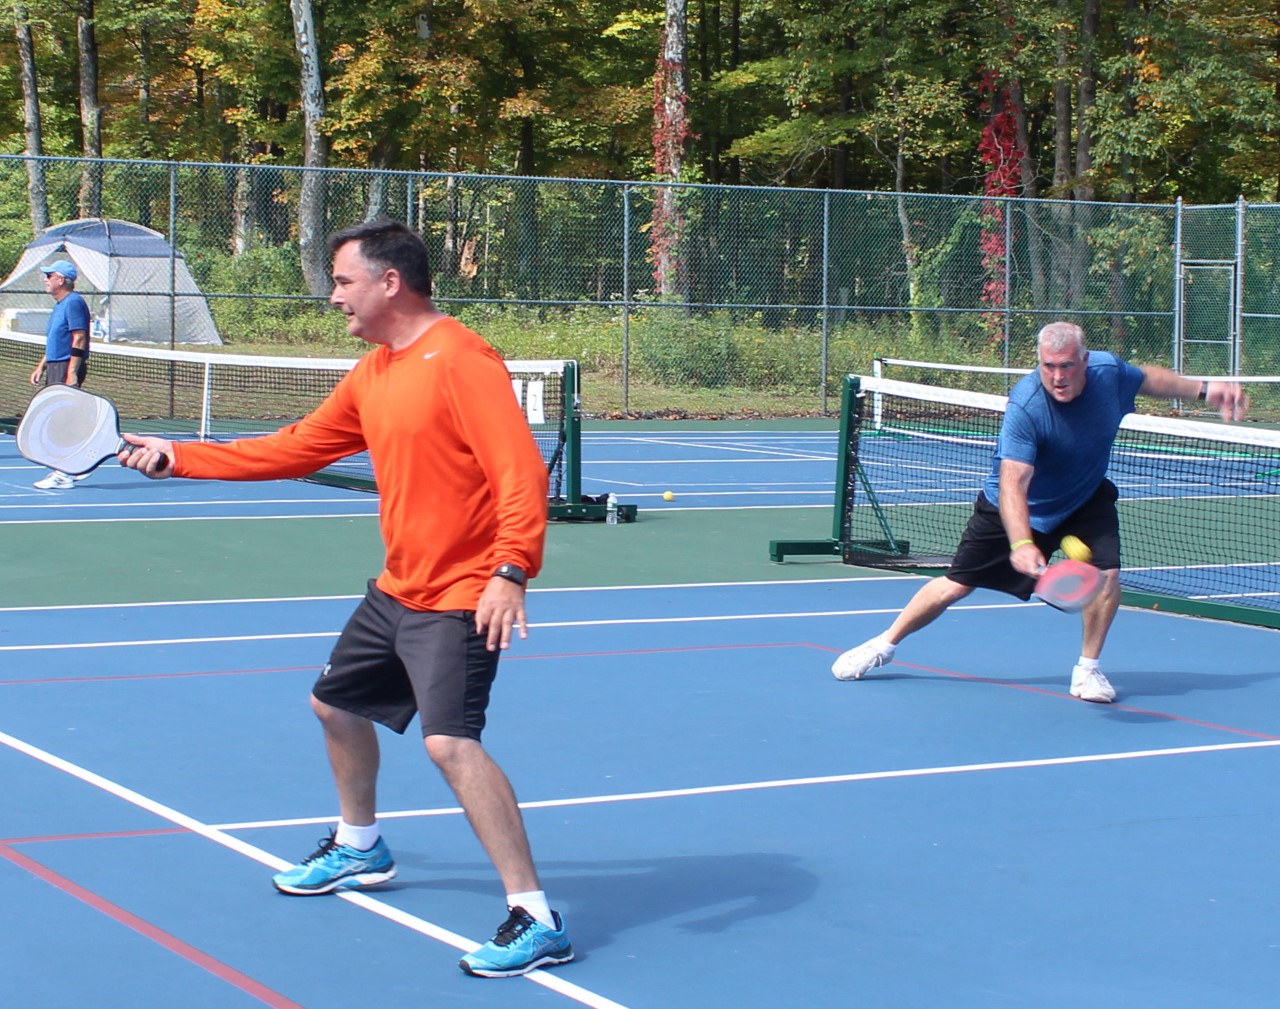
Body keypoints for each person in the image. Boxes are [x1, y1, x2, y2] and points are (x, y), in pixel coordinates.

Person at [118, 219, 573, 979]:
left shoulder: (462, 360)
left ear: (389, 282)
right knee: (335, 704)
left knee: (449, 742)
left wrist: (511, 568)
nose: (334, 297)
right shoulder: (375, 372)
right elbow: (294, 446)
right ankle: (361, 846)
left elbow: (520, 471)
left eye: (342, 280)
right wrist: (181, 457)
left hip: (459, 593)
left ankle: (536, 915)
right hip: (398, 587)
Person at [830, 321, 1249, 703]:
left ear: (1084, 360)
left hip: (1085, 497)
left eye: (1066, 365)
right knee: (956, 585)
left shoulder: (1108, 374)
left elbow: (1147, 379)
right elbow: (1014, 483)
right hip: (1017, 508)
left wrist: (1203, 388)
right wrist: (1022, 542)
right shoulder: (1027, 405)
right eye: (1049, 366)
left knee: (1107, 574)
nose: (1058, 376)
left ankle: (1088, 671)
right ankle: (884, 645)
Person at [28, 259, 91, 490]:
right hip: (57, 365)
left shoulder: (73, 303)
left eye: (49, 276)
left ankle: (65, 473)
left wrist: (71, 373)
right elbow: (57, 341)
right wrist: (41, 366)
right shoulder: (60, 305)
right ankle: (74, 466)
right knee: (59, 419)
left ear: (61, 280)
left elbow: (79, 338)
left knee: (61, 421)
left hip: (67, 366)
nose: (45, 280)